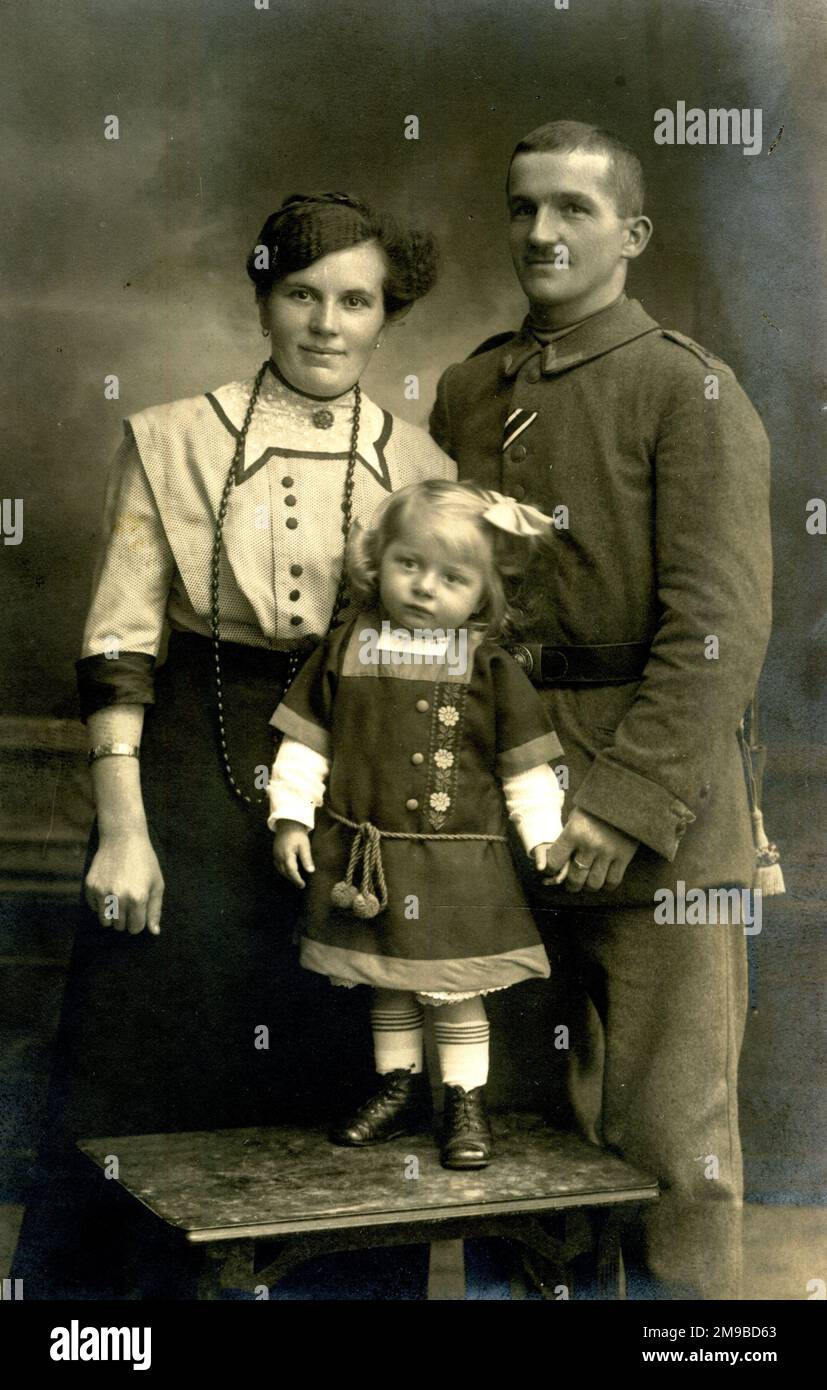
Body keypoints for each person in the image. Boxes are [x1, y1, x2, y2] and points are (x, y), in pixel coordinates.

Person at [13, 191, 455, 1299]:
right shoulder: (168, 436)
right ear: (261, 298)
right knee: (149, 1041)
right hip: (186, 760)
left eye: (354, 300)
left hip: (354, 773)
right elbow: (117, 647)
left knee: (344, 1044)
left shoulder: (419, 460)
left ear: (381, 315)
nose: (325, 323)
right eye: (300, 293)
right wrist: (124, 833)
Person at [429, 121, 772, 1298]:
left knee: (676, 1141)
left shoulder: (688, 389)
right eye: (522, 208)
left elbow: (717, 634)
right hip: (494, 802)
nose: (539, 233)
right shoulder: (470, 389)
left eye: (572, 209)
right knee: (509, 1132)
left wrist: (622, 805)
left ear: (629, 234)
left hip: (659, 817)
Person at [268, 479, 566, 1169]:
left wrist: (543, 835)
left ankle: (463, 1102)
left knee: (454, 990)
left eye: (452, 577)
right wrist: (289, 817)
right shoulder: (346, 647)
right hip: (366, 859)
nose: (425, 587)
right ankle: (396, 1088)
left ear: (484, 593)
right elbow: (307, 743)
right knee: (388, 981)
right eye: (409, 564)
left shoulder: (490, 668)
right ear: (379, 561)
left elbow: (524, 771)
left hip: (459, 866)